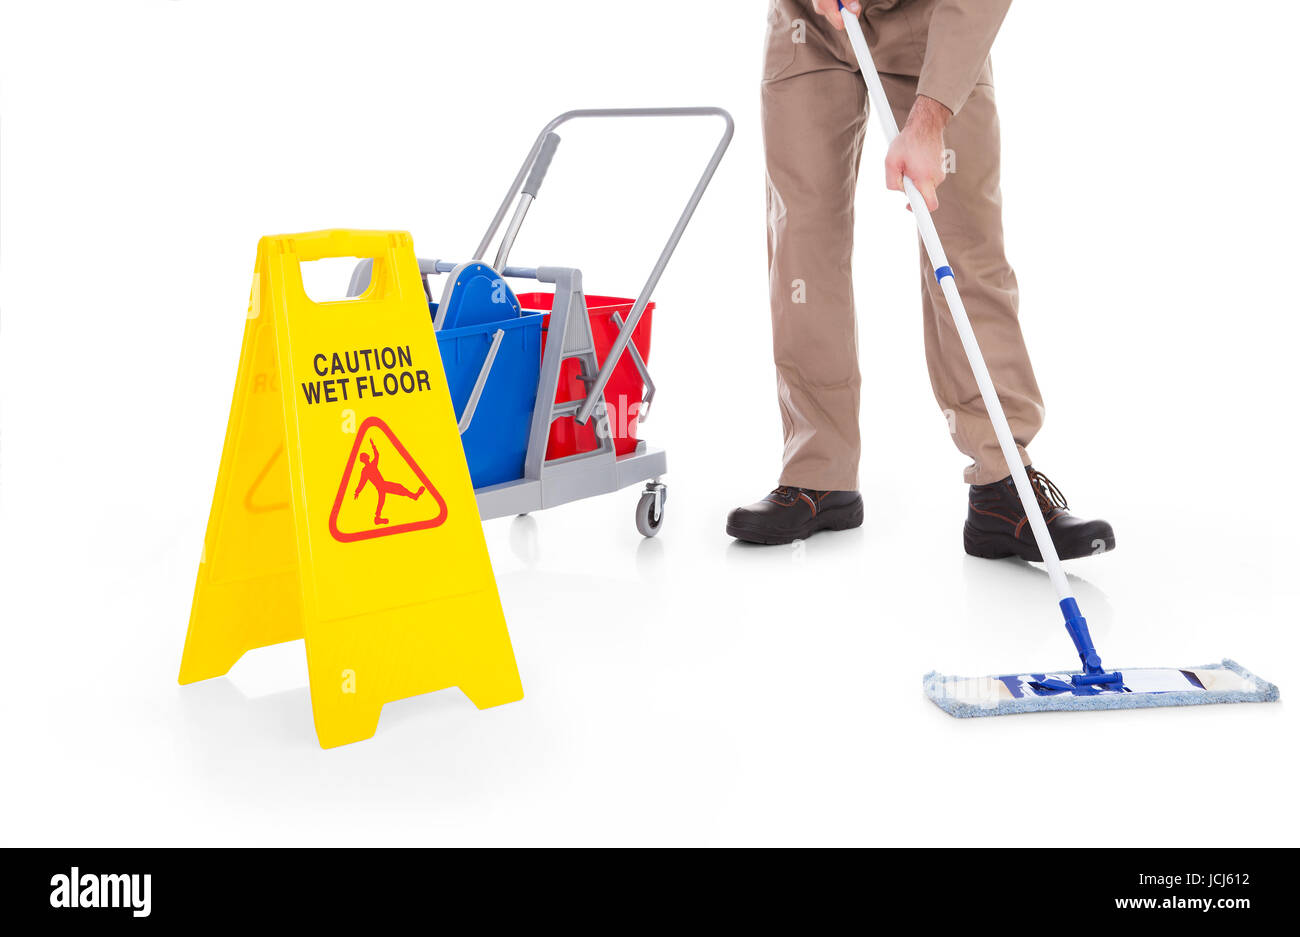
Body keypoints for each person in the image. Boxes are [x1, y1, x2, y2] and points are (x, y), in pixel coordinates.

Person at [727, 0, 1115, 563]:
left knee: (966, 244)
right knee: (802, 251)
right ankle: (820, 473)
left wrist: (930, 117)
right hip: (807, 27)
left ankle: (1002, 483)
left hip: (933, 21)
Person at [353, 438, 425, 526]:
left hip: (381, 486)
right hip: (382, 485)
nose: (367, 457)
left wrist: (373, 446)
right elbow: (362, 482)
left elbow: (377, 456)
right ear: (365, 459)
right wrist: (357, 491)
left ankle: (377, 518)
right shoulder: (367, 469)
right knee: (398, 488)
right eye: (366, 457)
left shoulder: (369, 466)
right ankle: (414, 496)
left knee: (382, 500)